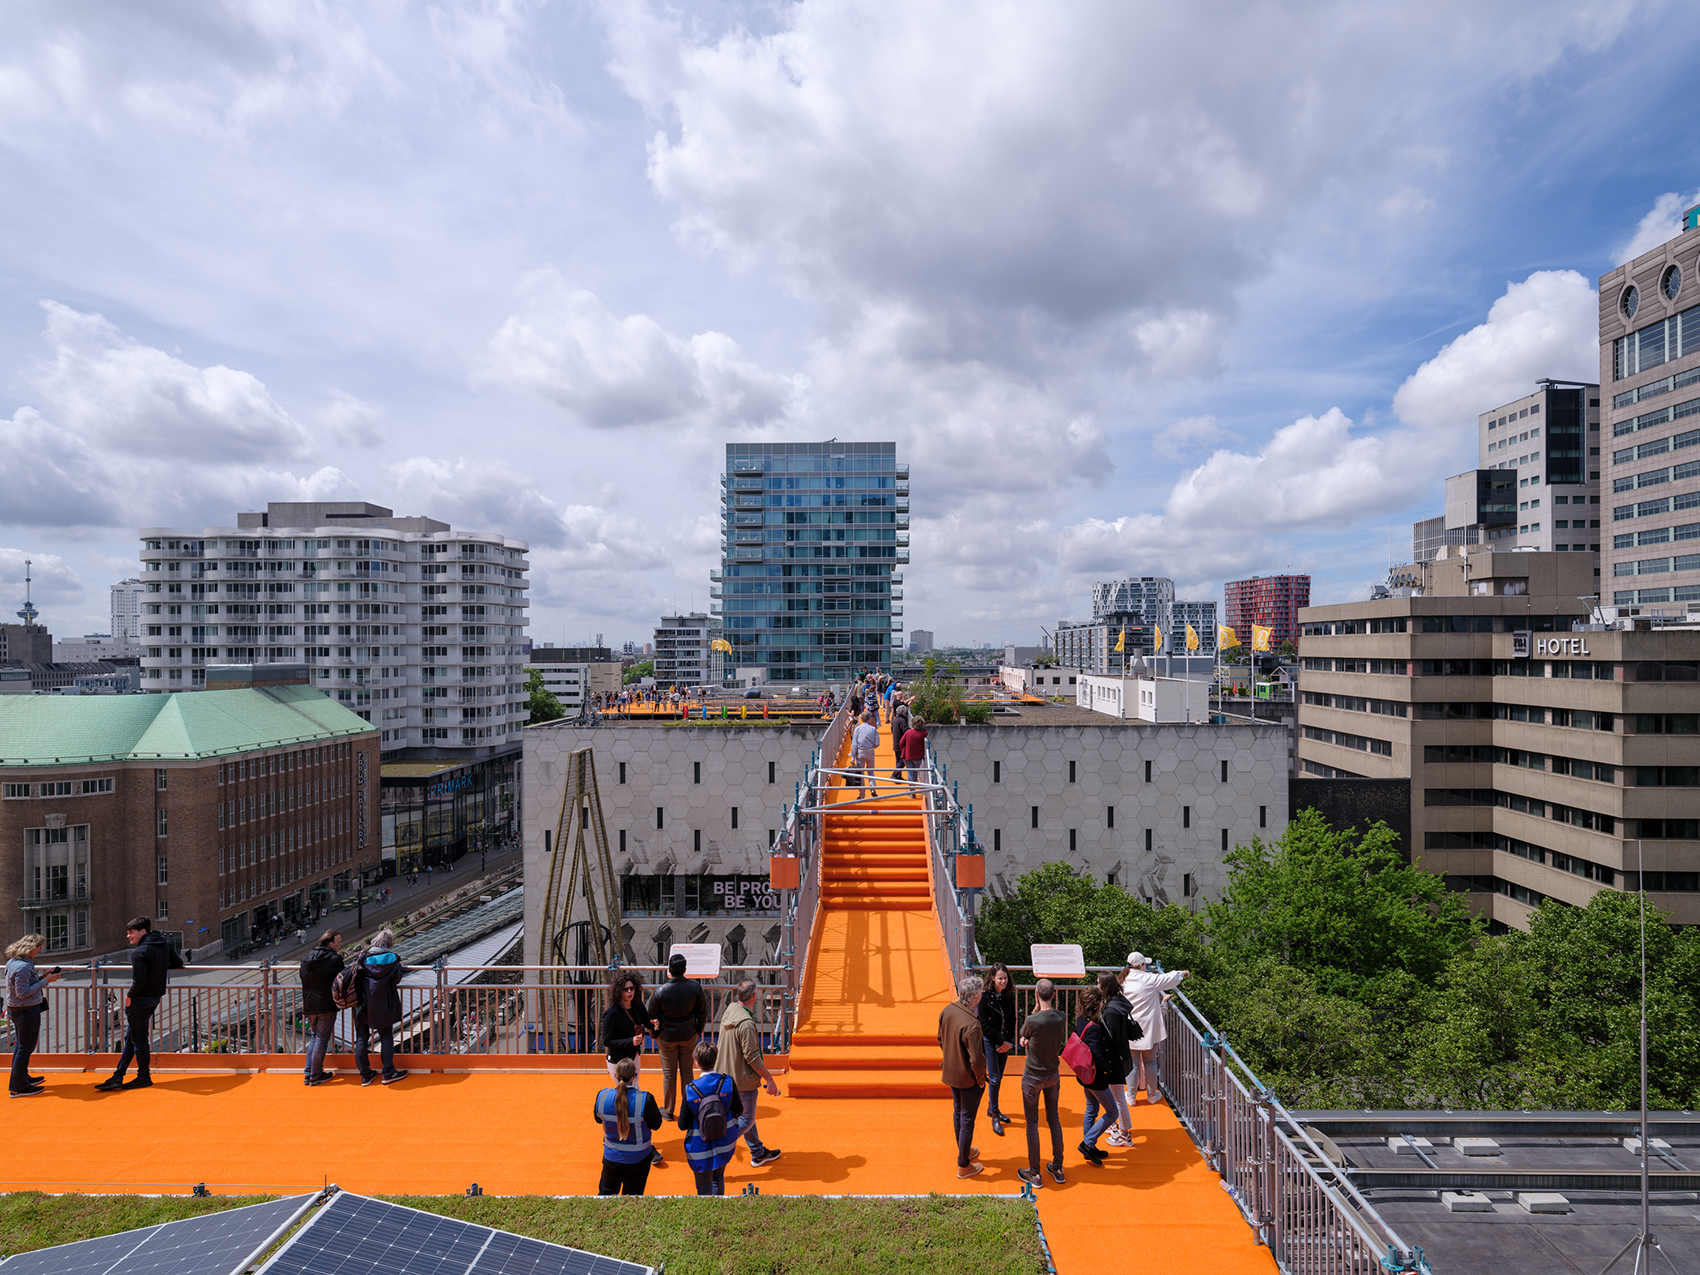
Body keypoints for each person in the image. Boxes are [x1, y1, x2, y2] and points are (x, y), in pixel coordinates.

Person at [95, 917, 183, 1092]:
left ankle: (143, 1077)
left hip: (139, 1000)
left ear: (142, 932)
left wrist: (129, 996)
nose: (128, 936)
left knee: (139, 1040)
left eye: (131, 933)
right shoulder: (163, 944)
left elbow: (139, 980)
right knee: (132, 1038)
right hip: (154, 998)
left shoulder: (139, 952)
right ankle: (118, 1076)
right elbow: (177, 963)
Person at [715, 979, 783, 1167]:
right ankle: (718, 1146)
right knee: (746, 1120)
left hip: (725, 1076)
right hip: (743, 1081)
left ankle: (758, 1152)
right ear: (754, 996)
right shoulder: (746, 1023)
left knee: (744, 1117)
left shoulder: (730, 1010)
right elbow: (752, 1057)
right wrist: (769, 1079)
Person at [601, 970, 662, 1164]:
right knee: (632, 1096)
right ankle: (644, 1144)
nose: (630, 992)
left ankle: (619, 1134)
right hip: (618, 1062)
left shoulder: (636, 1005)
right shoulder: (611, 1013)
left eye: (632, 988)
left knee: (630, 1096)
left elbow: (645, 1021)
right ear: (619, 992)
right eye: (626, 989)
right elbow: (607, 1040)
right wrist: (630, 1040)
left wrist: (653, 1024)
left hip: (633, 1057)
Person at [1015, 977, 1067, 1187]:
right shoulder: (1061, 1017)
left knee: (1032, 1123)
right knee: (1053, 1118)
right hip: (1053, 1074)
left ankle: (1035, 1173)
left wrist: (1026, 1039)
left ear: (1036, 995)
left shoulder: (1032, 1020)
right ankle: (1058, 1167)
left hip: (1033, 1076)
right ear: (1053, 995)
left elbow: (1023, 1034)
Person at [646, 953, 708, 1120]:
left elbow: (651, 1017)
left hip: (666, 1038)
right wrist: (698, 1030)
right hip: (689, 1035)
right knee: (687, 1072)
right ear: (685, 970)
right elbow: (702, 1012)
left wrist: (654, 1035)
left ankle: (668, 1110)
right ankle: (688, 1110)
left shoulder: (660, 991)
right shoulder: (695, 987)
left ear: (669, 970)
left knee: (669, 1074)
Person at [937, 973, 987, 1179]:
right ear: (975, 997)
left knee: (958, 1112)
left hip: (950, 1072)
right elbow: (976, 1060)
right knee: (967, 1118)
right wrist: (981, 1079)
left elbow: (940, 1038)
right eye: (981, 992)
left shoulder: (948, 1010)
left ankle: (964, 1151)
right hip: (968, 1079)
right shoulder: (972, 1024)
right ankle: (963, 1164)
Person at [1120, 952, 1187, 1105]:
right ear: (1141, 965)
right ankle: (1151, 1095)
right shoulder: (1149, 979)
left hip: (1129, 1028)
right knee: (1150, 1062)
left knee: (1133, 1063)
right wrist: (1182, 973)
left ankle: (1130, 1096)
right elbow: (1169, 978)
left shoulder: (1123, 981)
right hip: (1148, 1029)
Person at [680, 1038, 743, 1195]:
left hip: (699, 1148)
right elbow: (739, 1109)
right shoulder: (727, 1081)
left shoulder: (690, 1089)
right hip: (725, 1143)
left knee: (703, 1189)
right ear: (715, 1059)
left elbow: (682, 1124)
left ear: (697, 1062)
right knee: (718, 1178)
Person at [595, 1057, 664, 1195]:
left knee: (605, 1198)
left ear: (615, 1075)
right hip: (638, 1160)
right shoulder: (646, 1099)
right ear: (635, 1075)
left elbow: (598, 1119)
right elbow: (656, 1125)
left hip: (611, 1158)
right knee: (633, 1199)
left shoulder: (602, 1096)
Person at [6, 934, 59, 1097]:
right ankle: (18, 1086)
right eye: (39, 947)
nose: (40, 950)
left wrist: (43, 976)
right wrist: (46, 981)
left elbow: (24, 985)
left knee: (22, 1046)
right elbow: (22, 993)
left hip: (19, 1009)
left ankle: (22, 1078)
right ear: (31, 948)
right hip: (25, 1010)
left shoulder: (15, 963)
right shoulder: (22, 967)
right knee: (25, 1047)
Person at [1072, 987, 1118, 1164]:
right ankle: (1087, 1143)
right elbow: (1097, 1056)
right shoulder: (1094, 1028)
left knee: (1091, 1109)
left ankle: (1089, 1147)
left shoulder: (1080, 1020)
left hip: (1084, 1075)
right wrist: (1107, 1070)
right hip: (1096, 1079)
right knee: (1112, 1112)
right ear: (1097, 1004)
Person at [355, 929, 408, 1085]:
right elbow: (397, 978)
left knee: (361, 1039)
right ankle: (388, 1072)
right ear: (389, 943)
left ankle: (365, 1075)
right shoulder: (392, 959)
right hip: (383, 1004)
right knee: (386, 1036)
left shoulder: (363, 957)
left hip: (362, 1004)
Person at [299, 929, 345, 1086]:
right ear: (330, 943)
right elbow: (342, 980)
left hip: (309, 1004)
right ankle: (316, 1075)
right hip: (326, 1005)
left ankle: (308, 1073)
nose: (340, 944)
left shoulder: (306, 958)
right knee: (321, 1039)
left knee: (314, 1037)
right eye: (338, 942)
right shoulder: (334, 959)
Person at [1098, 971, 1139, 1146]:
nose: (1097, 985)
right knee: (1116, 1096)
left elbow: (1111, 1039)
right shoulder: (1119, 1002)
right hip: (1123, 1055)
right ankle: (1117, 1125)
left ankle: (1124, 1134)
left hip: (1115, 1060)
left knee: (1118, 1098)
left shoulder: (1110, 1010)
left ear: (1105, 986)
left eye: (1099, 983)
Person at [977, 963, 1017, 1136]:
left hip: (1004, 1042)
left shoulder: (1007, 995)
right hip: (990, 1041)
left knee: (998, 1076)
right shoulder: (985, 997)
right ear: (992, 978)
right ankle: (994, 1114)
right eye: (1000, 978)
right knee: (994, 1078)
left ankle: (992, 1108)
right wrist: (1001, 1042)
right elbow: (984, 1024)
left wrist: (1007, 1042)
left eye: (1005, 978)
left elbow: (1012, 1019)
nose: (1003, 981)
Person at [850, 712, 880, 793]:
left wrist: (853, 757)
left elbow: (854, 744)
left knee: (861, 773)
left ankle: (862, 793)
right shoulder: (873, 729)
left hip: (860, 752)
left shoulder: (857, 729)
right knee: (871, 771)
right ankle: (873, 789)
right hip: (870, 751)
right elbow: (877, 743)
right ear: (869, 719)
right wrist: (871, 746)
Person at [897, 716, 928, 785]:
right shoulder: (923, 734)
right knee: (915, 773)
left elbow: (901, 743)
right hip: (918, 757)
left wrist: (904, 750)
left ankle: (912, 791)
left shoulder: (908, 732)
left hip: (907, 756)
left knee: (910, 773)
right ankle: (914, 786)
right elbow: (926, 733)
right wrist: (923, 728)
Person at [888, 694, 911, 779]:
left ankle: (898, 775)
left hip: (895, 742)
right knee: (903, 760)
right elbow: (906, 730)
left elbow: (892, 730)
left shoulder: (894, 720)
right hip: (901, 744)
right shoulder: (902, 720)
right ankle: (895, 774)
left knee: (898, 760)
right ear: (904, 713)